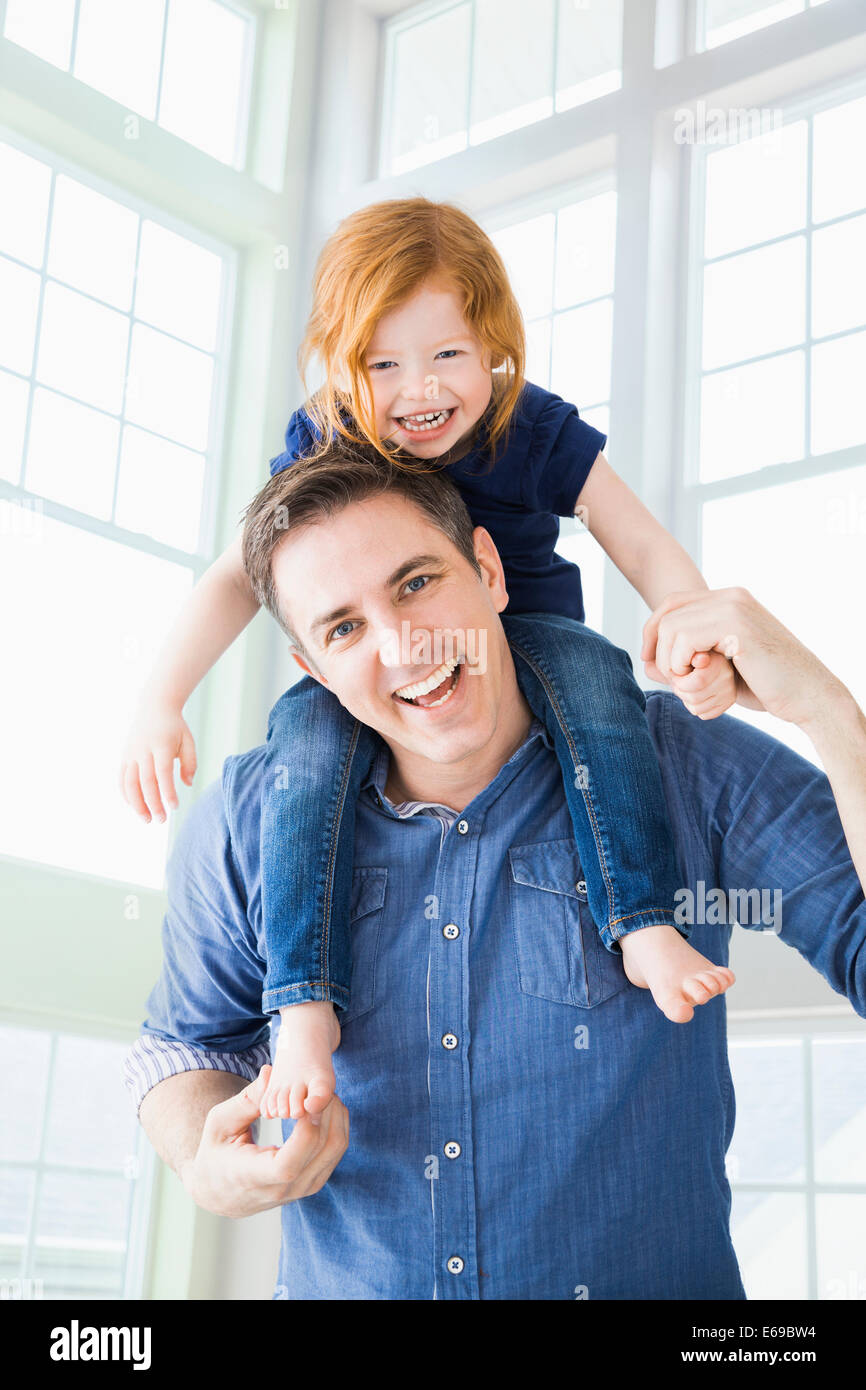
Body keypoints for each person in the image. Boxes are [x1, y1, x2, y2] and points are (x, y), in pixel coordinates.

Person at [126, 445, 866, 1300]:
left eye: (417, 583)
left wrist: (829, 711)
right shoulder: (246, 820)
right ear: (314, 671)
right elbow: (185, 1041)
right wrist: (202, 1167)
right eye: (344, 627)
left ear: (488, 568)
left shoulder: (680, 765)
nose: (405, 644)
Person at [126, 196, 742, 1125]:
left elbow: (639, 537)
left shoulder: (529, 428)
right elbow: (236, 576)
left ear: (492, 344)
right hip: (384, 678)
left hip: (525, 634)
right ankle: (301, 1001)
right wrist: (161, 698)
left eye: (447, 355)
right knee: (302, 749)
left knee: (600, 689)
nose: (419, 391)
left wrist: (692, 620)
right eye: (384, 364)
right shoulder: (328, 438)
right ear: (342, 364)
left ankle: (643, 918)